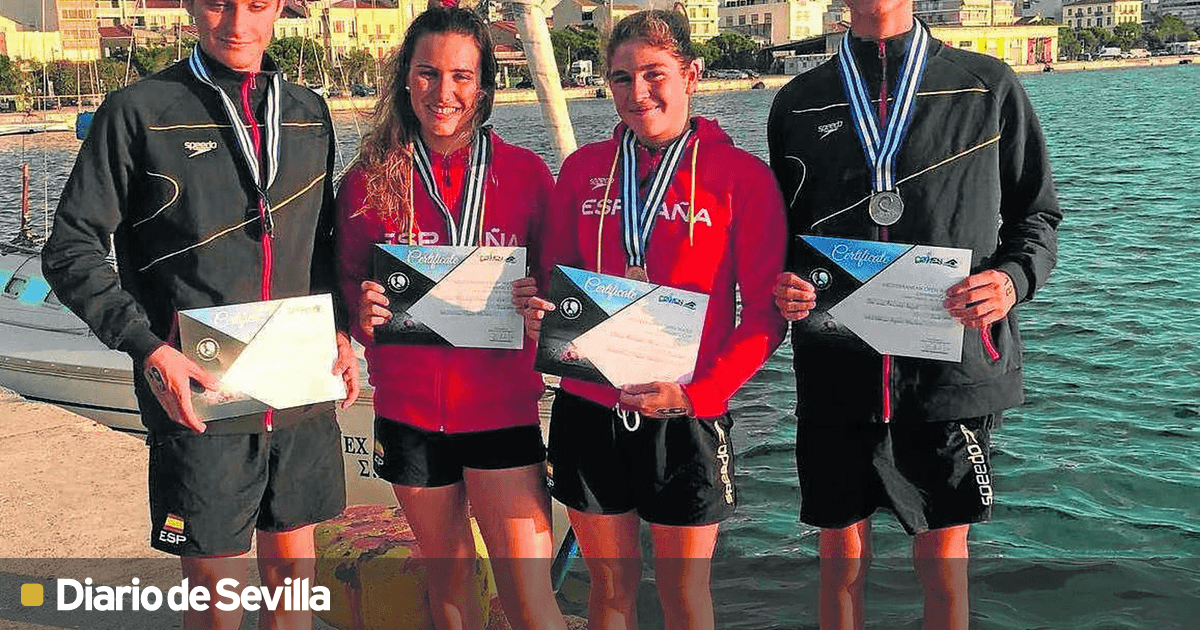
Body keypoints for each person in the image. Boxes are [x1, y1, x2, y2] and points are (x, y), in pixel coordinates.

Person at [41, 1, 359, 629]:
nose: (237, 25)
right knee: (217, 608)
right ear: (189, 6)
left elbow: (321, 244)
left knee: (293, 590)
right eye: (218, 3)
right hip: (199, 392)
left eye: (257, 5)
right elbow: (70, 249)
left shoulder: (307, 112)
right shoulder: (138, 112)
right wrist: (148, 348)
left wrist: (343, 332)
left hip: (297, 386)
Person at [767, 0, 1061, 627]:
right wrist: (783, 285)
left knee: (943, 559)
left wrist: (1010, 281)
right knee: (839, 558)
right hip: (835, 366)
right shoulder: (797, 101)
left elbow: (1037, 215)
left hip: (949, 369)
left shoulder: (987, 86)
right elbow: (784, 238)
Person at [513, 10, 787, 630]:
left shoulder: (742, 179)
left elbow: (766, 316)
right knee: (609, 587)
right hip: (589, 407)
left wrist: (700, 394)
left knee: (683, 592)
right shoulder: (582, 171)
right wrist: (537, 313)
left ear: (691, 76)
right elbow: (559, 286)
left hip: (686, 413)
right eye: (620, 79)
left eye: (654, 74)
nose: (638, 94)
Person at [334, 7, 566, 630]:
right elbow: (347, 287)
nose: (444, 92)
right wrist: (363, 312)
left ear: (483, 86)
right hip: (409, 414)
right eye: (428, 73)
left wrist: (536, 305)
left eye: (461, 76)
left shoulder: (526, 176)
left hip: (501, 412)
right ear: (405, 79)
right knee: (449, 586)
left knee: (528, 597)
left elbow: (556, 289)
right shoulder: (365, 182)